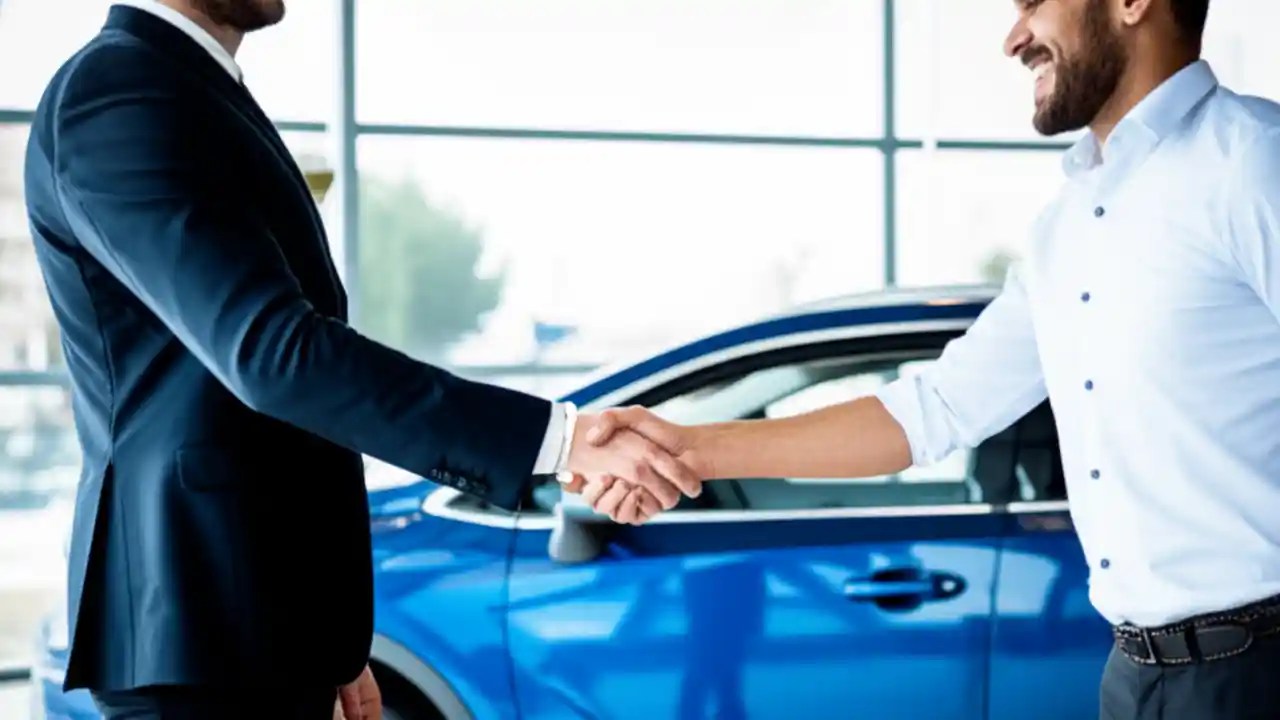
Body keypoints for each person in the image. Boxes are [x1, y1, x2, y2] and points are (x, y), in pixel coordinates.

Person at [582, 0, 1280, 717]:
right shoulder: (1066, 229)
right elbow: (935, 408)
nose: (1014, 39)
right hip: (1136, 675)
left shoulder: (1255, 162)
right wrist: (686, 449)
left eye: (1034, 4)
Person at [22, 1, 701, 718]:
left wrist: (327, 636)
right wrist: (559, 441)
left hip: (249, 627)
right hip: (192, 628)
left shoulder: (188, 87)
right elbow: (275, 354)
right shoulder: (118, 93)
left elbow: (266, 404)